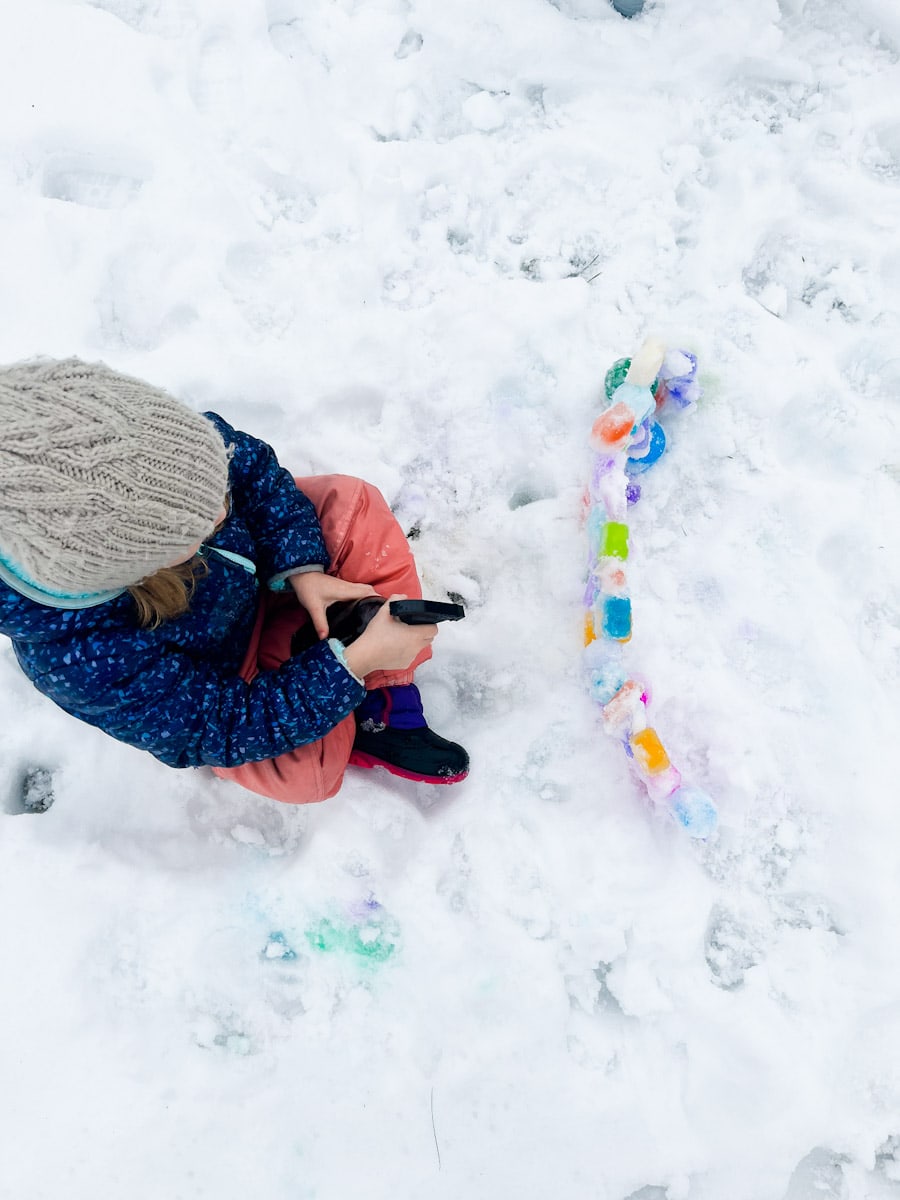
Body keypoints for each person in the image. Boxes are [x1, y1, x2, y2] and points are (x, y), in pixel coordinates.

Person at [0, 358, 468, 805]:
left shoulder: (160, 440)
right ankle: (350, 664)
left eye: (215, 488)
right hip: (232, 674)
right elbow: (219, 725)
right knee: (307, 773)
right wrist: (352, 664)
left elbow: (256, 475)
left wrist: (302, 568)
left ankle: (382, 695)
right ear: (126, 568)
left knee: (350, 504)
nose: (224, 510)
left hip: (272, 572)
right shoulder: (78, 657)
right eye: (199, 525)